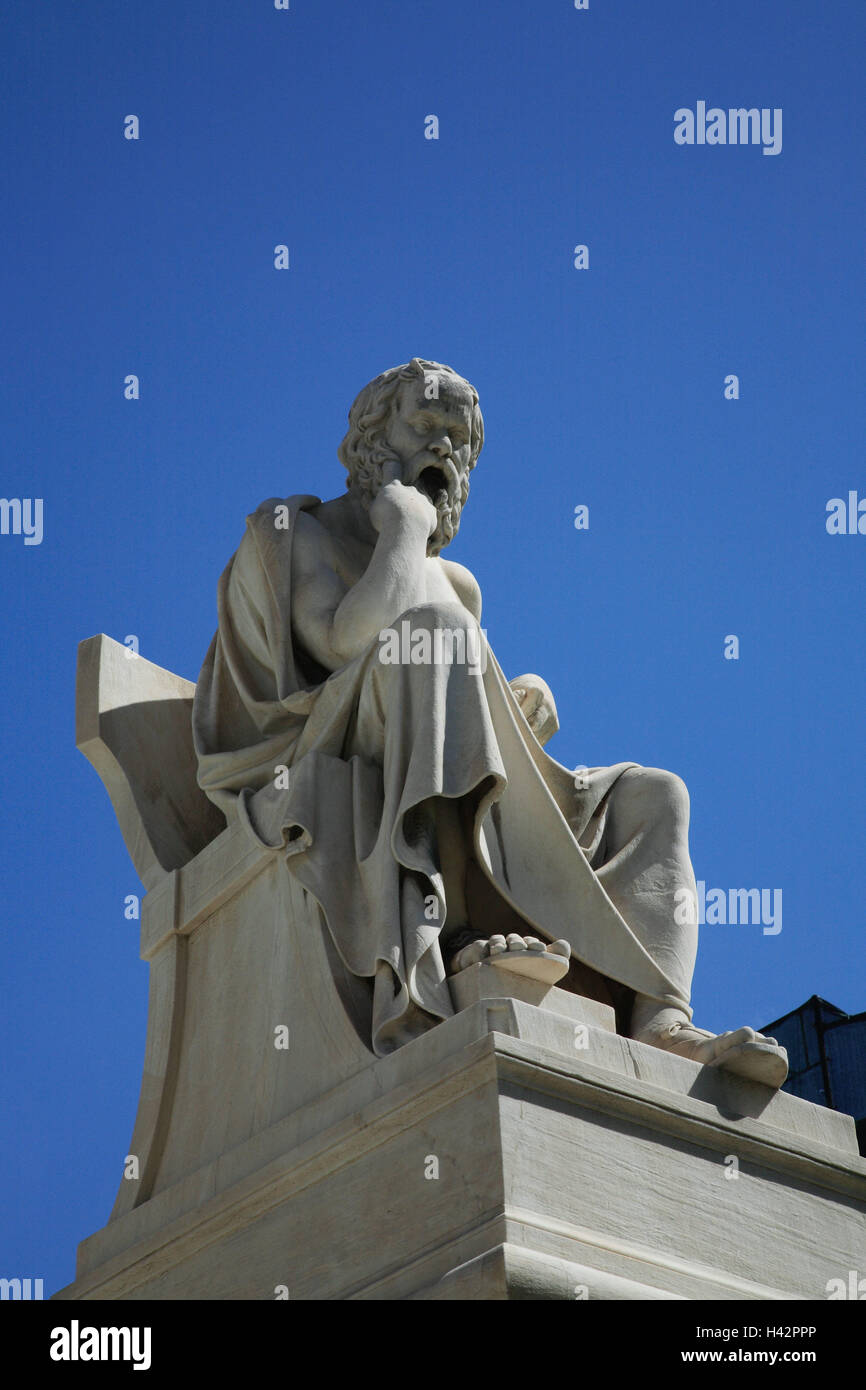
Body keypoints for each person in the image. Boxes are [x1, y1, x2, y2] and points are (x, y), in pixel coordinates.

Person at [192, 358, 787, 1085]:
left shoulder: (456, 585)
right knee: (438, 632)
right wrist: (405, 532)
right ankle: (456, 927)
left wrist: (518, 705)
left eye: (458, 439)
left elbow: (460, 716)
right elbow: (344, 642)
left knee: (654, 795)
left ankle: (659, 1014)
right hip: (318, 747)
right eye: (426, 424)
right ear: (374, 435)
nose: (444, 447)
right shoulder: (294, 535)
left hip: (406, 737)